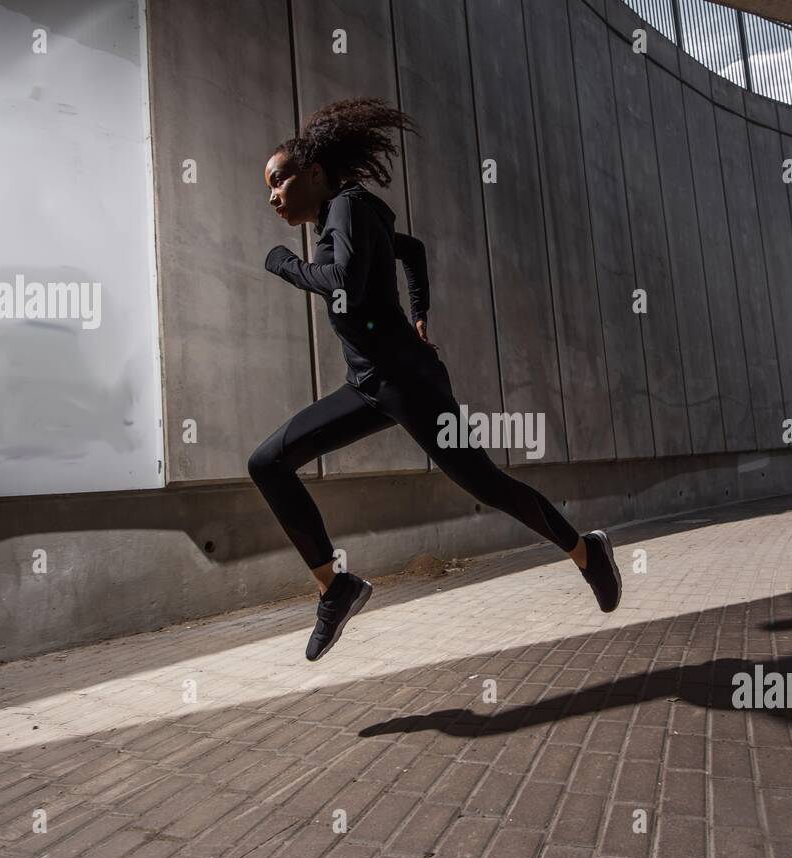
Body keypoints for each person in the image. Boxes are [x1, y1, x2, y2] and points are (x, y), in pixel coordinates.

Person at [248, 96, 621, 662]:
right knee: (267, 462)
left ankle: (586, 552)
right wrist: (420, 312)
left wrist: (285, 265)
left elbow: (340, 280)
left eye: (279, 181)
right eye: (269, 189)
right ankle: (337, 586)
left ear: (315, 171)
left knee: (488, 486)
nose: (273, 196)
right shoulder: (348, 215)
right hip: (370, 386)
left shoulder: (348, 208)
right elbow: (412, 252)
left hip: (409, 383)